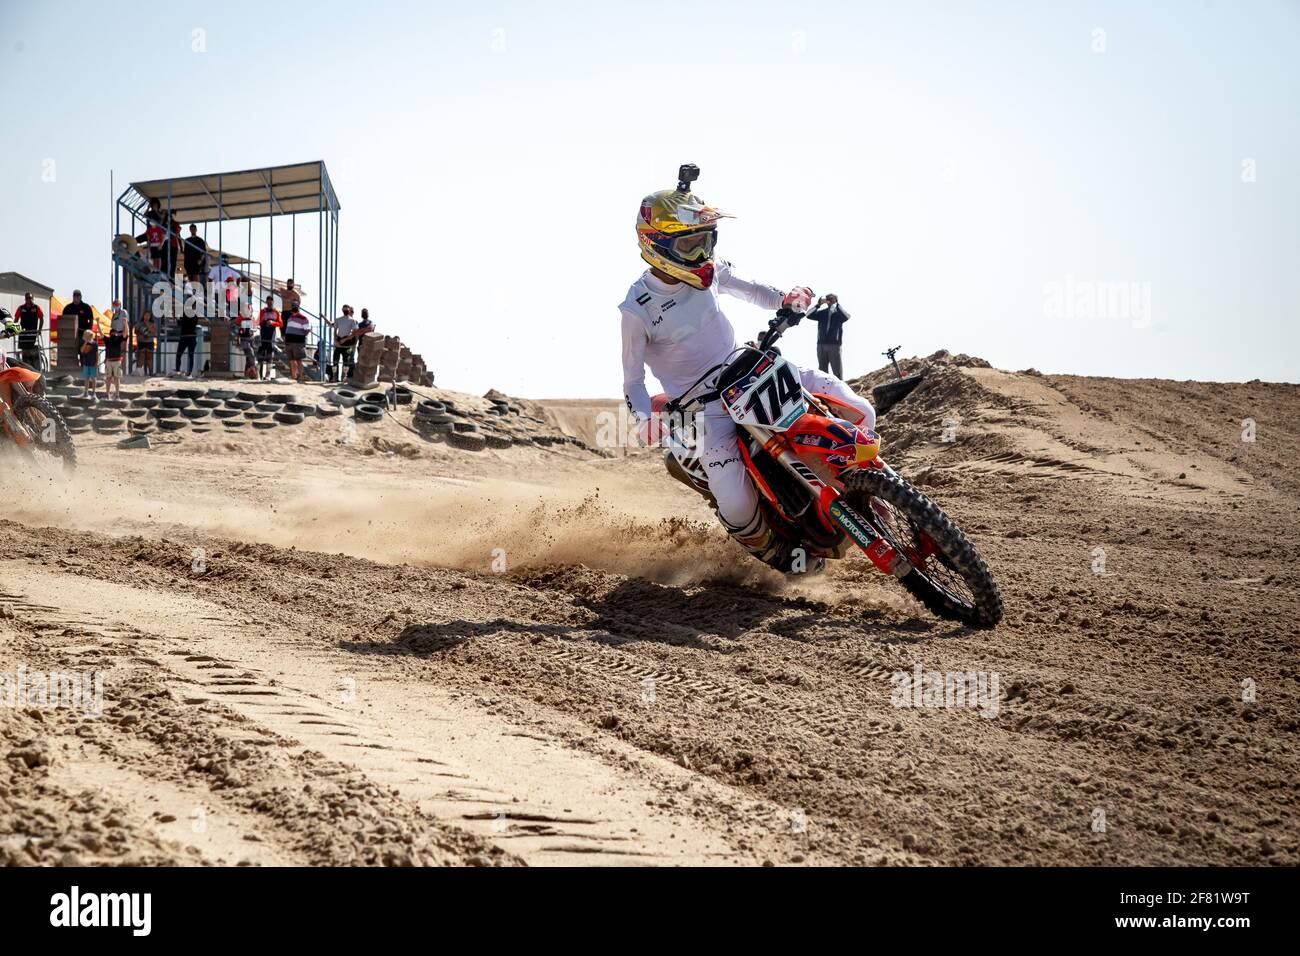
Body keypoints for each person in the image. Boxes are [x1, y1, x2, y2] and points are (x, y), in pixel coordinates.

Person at [620, 169, 875, 573]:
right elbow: (633, 380)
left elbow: (753, 290)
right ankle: (779, 553)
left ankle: (868, 490)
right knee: (736, 506)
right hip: (705, 408)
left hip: (752, 367)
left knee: (860, 409)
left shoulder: (709, 271)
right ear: (658, 245)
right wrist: (643, 417)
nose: (702, 252)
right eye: (690, 243)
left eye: (706, 240)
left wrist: (787, 298)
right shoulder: (637, 309)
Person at [807, 293, 850, 378]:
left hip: (834, 345)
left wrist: (837, 304)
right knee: (822, 372)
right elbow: (808, 315)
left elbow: (846, 317)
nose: (829, 300)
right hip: (821, 345)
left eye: (831, 298)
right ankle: (823, 390)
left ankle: (838, 389)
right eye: (828, 298)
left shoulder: (839, 314)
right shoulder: (822, 313)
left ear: (836, 300)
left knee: (837, 371)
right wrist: (818, 305)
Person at [281, 302, 311, 382]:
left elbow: (307, 330)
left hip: (298, 342)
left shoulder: (303, 318)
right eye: (293, 305)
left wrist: (300, 336)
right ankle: (294, 377)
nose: (294, 307)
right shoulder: (289, 317)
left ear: (298, 307)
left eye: (296, 306)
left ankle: (300, 376)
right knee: (291, 360)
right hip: (289, 342)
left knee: (298, 360)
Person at [14, 292, 44, 370]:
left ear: (33, 298)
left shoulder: (36, 308)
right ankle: (25, 367)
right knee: (24, 351)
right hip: (23, 332)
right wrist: (13, 329)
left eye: (30, 298)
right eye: (27, 298)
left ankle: (33, 367)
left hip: (32, 333)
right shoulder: (21, 308)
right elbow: (16, 320)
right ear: (25, 299)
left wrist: (39, 330)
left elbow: (41, 318)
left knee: (30, 350)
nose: (28, 300)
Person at [256, 296, 282, 380]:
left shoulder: (276, 312)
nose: (270, 303)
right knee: (261, 355)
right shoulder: (262, 311)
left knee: (270, 356)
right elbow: (258, 322)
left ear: (273, 302)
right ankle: (258, 375)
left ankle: (268, 375)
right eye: (268, 301)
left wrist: (273, 322)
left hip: (271, 336)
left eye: (271, 301)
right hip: (263, 335)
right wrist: (264, 320)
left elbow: (281, 324)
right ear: (266, 302)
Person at [331, 304, 358, 381]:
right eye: (344, 309)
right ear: (342, 310)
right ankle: (334, 377)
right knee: (335, 361)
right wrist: (336, 341)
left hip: (347, 345)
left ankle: (344, 377)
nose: (346, 310)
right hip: (338, 343)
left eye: (347, 309)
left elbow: (354, 333)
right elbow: (335, 331)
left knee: (346, 362)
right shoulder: (338, 319)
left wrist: (345, 339)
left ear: (349, 310)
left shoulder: (353, 321)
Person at [103, 311, 127, 398]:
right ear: (110, 334)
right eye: (112, 332)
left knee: (117, 378)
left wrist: (125, 324)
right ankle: (107, 394)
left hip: (117, 361)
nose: (113, 333)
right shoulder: (107, 340)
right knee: (108, 378)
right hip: (109, 361)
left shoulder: (118, 339)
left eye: (114, 332)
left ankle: (117, 394)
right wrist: (98, 323)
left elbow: (125, 334)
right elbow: (101, 334)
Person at [176, 309, 200, 378]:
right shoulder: (189, 315)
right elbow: (180, 324)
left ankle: (188, 372)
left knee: (188, 355)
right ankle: (180, 371)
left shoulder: (192, 315)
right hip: (187, 336)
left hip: (189, 337)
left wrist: (179, 319)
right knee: (181, 354)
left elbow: (182, 324)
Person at [182, 225, 208, 290]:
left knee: (196, 276)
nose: (193, 230)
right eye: (191, 229)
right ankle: (193, 291)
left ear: (196, 230)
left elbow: (204, 252)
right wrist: (185, 262)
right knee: (190, 277)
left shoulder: (200, 240)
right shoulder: (187, 240)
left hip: (196, 261)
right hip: (188, 261)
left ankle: (198, 291)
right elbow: (185, 252)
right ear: (190, 230)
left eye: (194, 229)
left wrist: (201, 260)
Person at [135, 312, 156, 376]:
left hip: (149, 342)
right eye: (145, 315)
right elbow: (135, 331)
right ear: (143, 316)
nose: (147, 317)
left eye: (148, 316)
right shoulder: (139, 324)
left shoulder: (152, 324)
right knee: (141, 357)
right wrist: (139, 334)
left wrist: (148, 325)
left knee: (149, 358)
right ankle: (139, 372)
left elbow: (154, 332)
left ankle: (151, 373)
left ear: (150, 317)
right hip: (141, 342)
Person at [79, 329, 99, 397]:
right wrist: (85, 342)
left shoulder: (95, 344)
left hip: (93, 363)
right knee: (86, 378)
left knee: (93, 378)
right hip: (86, 363)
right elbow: (81, 350)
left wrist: (97, 362)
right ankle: (86, 392)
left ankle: (93, 392)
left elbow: (97, 354)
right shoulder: (83, 342)